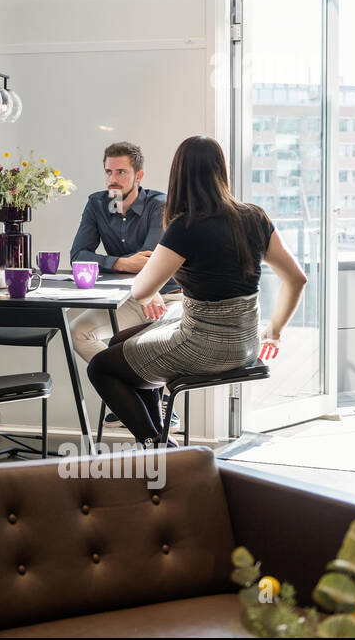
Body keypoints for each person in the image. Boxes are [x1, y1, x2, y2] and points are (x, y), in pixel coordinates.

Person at [86, 136, 307, 446]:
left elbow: (141, 290)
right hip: (245, 344)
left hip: (204, 345)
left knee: (101, 367)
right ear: (221, 171)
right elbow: (297, 278)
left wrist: (142, 275)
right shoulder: (254, 216)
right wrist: (274, 331)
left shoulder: (186, 226)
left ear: (180, 175)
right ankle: (159, 435)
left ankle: (156, 445)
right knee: (121, 340)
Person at [68, 141, 182, 428]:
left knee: (150, 345)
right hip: (129, 299)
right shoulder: (97, 204)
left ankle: (150, 399)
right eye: (108, 172)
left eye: (121, 172)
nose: (112, 180)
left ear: (138, 176)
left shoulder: (160, 204)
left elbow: (151, 262)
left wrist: (118, 262)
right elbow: (78, 256)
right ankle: (134, 394)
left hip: (168, 299)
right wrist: (121, 263)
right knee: (78, 332)